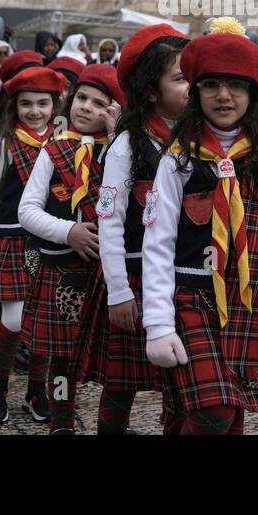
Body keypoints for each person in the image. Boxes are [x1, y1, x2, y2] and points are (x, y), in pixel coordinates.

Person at [142, 17, 258, 434]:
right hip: (192, 297)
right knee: (212, 410)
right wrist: (159, 324)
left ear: (253, 95)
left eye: (236, 86)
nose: (224, 96)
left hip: (251, 299)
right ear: (196, 92)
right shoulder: (177, 159)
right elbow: (158, 244)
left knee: (232, 411)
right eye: (211, 85)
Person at [75, 23, 188, 434]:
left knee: (181, 379)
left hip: (185, 279)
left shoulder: (198, 142)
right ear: (151, 89)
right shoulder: (126, 145)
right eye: (180, 78)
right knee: (121, 382)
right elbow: (109, 219)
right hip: (135, 276)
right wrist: (119, 291)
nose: (192, 86)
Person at [17, 64, 123, 433]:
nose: (86, 108)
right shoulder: (54, 149)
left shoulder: (122, 152)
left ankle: (111, 423)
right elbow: (27, 211)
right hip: (61, 267)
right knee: (60, 356)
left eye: (99, 103)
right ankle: (61, 422)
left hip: (107, 273)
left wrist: (119, 136)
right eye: (82, 98)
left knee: (112, 355)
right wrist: (68, 232)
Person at [0, 60, 58, 425]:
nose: (35, 111)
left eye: (43, 104)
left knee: (45, 320)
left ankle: (37, 388)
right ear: (14, 106)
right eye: (26, 104)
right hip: (12, 240)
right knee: (15, 319)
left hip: (51, 243)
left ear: (54, 107)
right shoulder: (3, 145)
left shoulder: (63, 144)